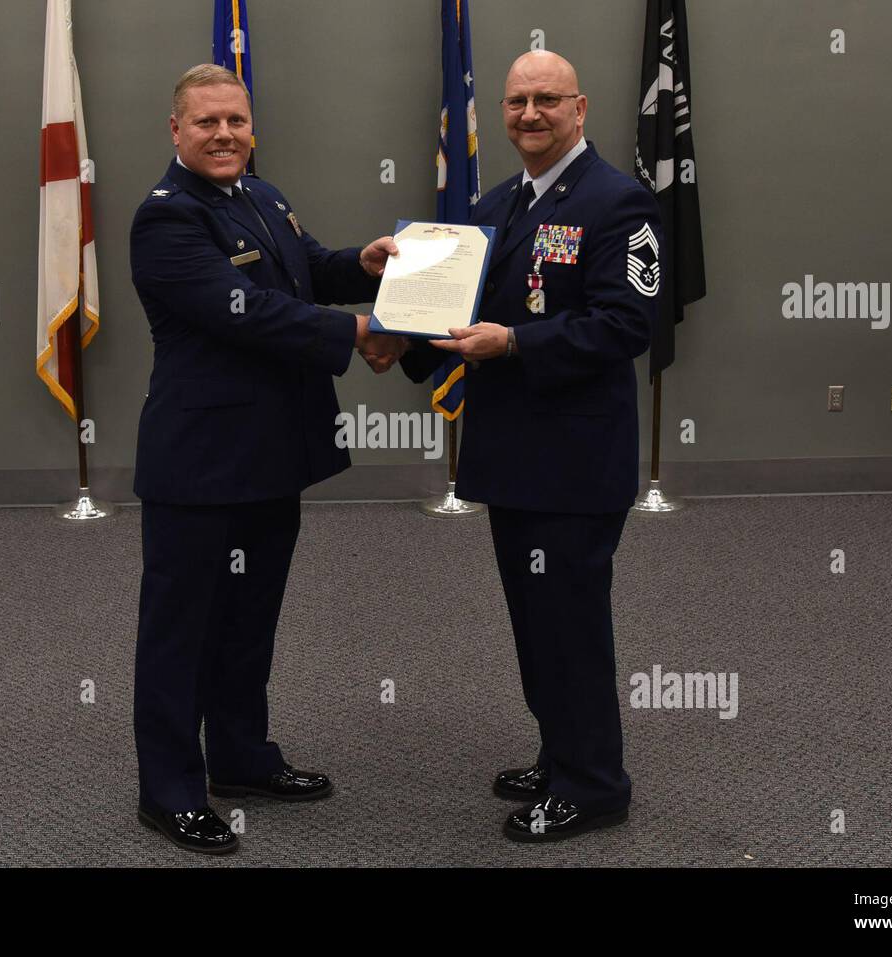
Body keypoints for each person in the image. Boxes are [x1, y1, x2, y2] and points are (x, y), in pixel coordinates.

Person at [129, 64, 402, 855]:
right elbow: (239, 309)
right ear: (175, 130)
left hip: (270, 457)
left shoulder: (262, 195)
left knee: (249, 620)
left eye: (236, 122)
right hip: (199, 466)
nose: (224, 135)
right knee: (182, 632)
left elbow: (306, 268)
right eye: (207, 122)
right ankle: (171, 789)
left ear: (252, 128)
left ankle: (243, 757)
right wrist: (356, 333)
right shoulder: (166, 219)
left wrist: (369, 264)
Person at [402, 50, 660, 843]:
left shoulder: (621, 202)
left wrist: (514, 343)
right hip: (515, 460)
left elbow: (627, 324)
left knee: (571, 623)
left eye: (547, 100)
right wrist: (392, 330)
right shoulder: (499, 201)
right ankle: (560, 751)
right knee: (534, 618)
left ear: (580, 108)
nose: (529, 115)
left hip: (576, 465)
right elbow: (452, 305)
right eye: (517, 102)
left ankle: (594, 784)